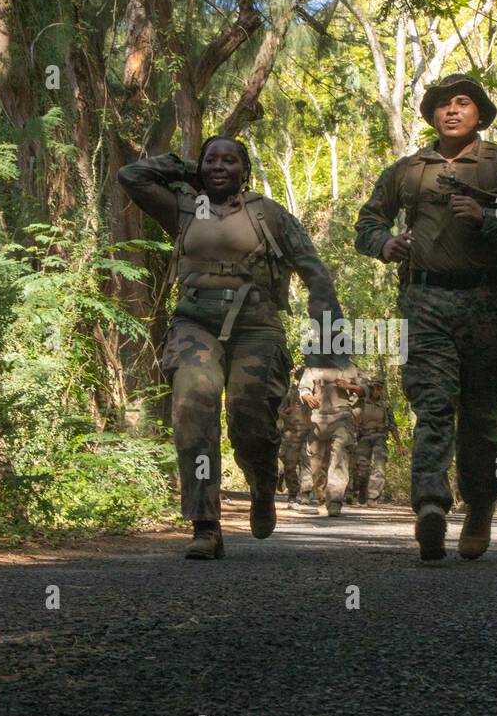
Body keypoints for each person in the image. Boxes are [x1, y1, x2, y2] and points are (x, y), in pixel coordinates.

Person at [118, 137, 347, 559]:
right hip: (195, 323)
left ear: (245, 170)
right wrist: (189, 170)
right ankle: (206, 526)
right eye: (211, 160)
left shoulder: (269, 214)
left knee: (250, 423)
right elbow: (131, 176)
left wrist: (330, 332)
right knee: (193, 408)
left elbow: (313, 270)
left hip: (257, 326)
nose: (219, 166)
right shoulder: (185, 207)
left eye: (229, 160)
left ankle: (262, 480)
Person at [353, 74, 497, 560]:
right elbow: (368, 223)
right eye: (442, 104)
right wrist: (386, 244)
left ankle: (480, 508)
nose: (452, 111)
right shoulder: (408, 171)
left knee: (480, 412)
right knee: (433, 404)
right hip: (424, 304)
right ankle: (430, 507)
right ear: (432, 116)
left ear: (479, 114)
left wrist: (489, 220)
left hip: (486, 304)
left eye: (463, 103)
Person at [298, 360, 365, 517]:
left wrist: (350, 387)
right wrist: (307, 397)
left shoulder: (351, 367)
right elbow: (303, 389)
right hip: (318, 419)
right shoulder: (313, 368)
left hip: (342, 418)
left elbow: (365, 389)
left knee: (339, 458)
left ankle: (334, 501)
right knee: (316, 464)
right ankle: (322, 498)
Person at [350, 379, 403, 506]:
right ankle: (359, 493)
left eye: (380, 388)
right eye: (375, 387)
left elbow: (392, 426)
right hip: (364, 437)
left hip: (380, 437)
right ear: (370, 388)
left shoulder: (385, 406)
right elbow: (351, 420)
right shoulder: (361, 403)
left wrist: (399, 444)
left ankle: (373, 496)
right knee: (361, 469)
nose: (377, 390)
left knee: (379, 466)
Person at [277, 368, 312, 509]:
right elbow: (278, 412)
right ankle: (293, 492)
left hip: (310, 432)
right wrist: (287, 412)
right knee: (290, 464)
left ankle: (306, 493)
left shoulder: (314, 392)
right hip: (292, 433)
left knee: (307, 463)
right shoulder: (290, 393)